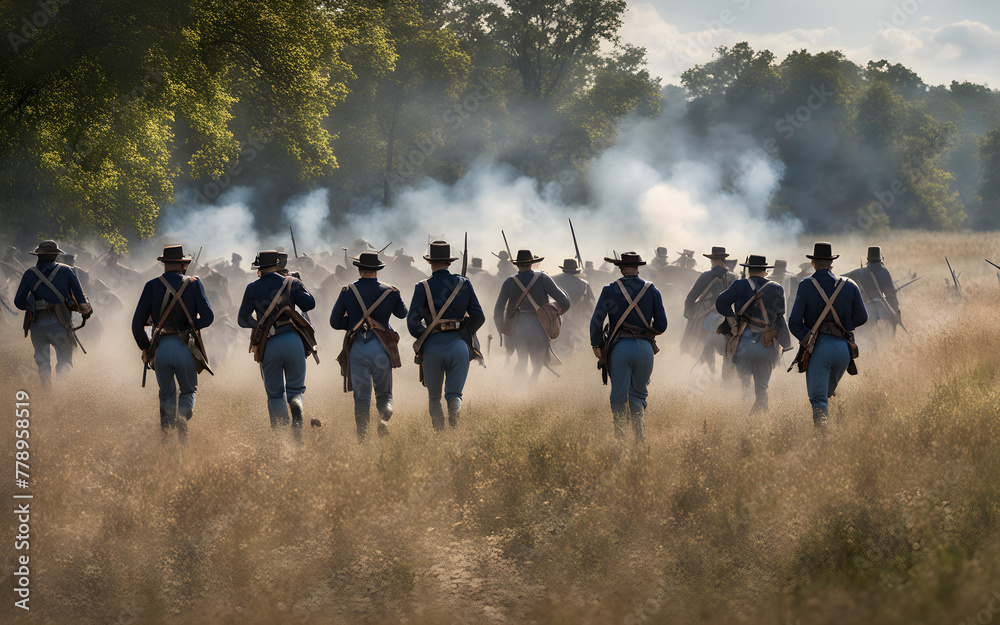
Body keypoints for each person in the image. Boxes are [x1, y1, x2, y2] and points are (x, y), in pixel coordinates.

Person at [131, 245, 214, 442]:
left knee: (166, 395)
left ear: (164, 264)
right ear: (183, 265)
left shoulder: (152, 285)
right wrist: (192, 327)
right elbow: (209, 317)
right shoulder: (194, 283)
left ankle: (167, 440)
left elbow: (136, 325)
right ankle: (183, 418)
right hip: (185, 347)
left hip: (161, 349)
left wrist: (146, 347)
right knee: (188, 390)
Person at [238, 250, 317, 440]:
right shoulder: (291, 282)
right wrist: (297, 283)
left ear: (259, 268)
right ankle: (296, 405)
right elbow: (310, 304)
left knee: (275, 395)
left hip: (269, 344)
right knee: (295, 390)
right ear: (278, 264)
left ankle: (282, 439)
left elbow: (242, 319)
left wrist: (261, 326)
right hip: (292, 340)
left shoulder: (252, 287)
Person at [788, 242, 868, 429]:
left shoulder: (806, 285)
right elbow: (862, 317)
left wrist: (809, 338)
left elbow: (793, 322)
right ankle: (837, 429)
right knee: (830, 393)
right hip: (843, 350)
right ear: (831, 263)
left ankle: (822, 441)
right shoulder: (849, 285)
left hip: (819, 348)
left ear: (813, 263)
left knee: (818, 400)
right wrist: (842, 328)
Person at [408, 241, 486, 430]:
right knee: (454, 395)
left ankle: (439, 432)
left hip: (432, 348)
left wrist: (426, 336)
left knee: (434, 397)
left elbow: (412, 323)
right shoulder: (463, 283)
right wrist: (463, 333)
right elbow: (479, 317)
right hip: (458, 346)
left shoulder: (422, 286)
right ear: (449, 262)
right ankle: (454, 424)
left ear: (430, 262)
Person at [590, 252, 667, 441]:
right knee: (638, 396)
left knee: (618, 396)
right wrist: (648, 331)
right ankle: (639, 437)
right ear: (638, 268)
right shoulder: (651, 289)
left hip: (620, 348)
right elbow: (661, 325)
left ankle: (621, 438)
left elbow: (596, 321)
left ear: (621, 269)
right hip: (645, 349)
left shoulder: (609, 289)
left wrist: (597, 343)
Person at [330, 251, 407, 441]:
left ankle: (362, 439)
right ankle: (383, 421)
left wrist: (354, 324)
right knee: (385, 395)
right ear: (377, 270)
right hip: (381, 347)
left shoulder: (347, 291)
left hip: (358, 348)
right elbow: (403, 314)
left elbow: (334, 321)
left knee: (361, 399)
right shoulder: (391, 291)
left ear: (360, 269)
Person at [715, 255, 792, 415]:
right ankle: (761, 418)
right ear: (765, 270)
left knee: (745, 385)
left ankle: (746, 415)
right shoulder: (777, 288)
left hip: (744, 343)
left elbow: (721, 303)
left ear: (748, 268)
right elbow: (780, 318)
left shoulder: (739, 284)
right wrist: (786, 344)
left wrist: (733, 324)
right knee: (762, 388)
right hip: (767, 343)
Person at [13, 240, 93, 386]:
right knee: (64, 361)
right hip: (60, 326)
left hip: (37, 327)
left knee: (43, 364)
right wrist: (86, 311)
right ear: (55, 255)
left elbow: (18, 302)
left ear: (38, 255)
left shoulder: (29, 274)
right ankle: (60, 395)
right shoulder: (67, 271)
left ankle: (47, 395)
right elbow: (82, 302)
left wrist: (34, 305)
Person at [493, 249, 571, 380]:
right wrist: (551, 311)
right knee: (538, 363)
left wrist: (501, 332)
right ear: (532, 263)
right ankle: (531, 385)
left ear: (517, 265)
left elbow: (498, 311)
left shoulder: (509, 282)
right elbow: (565, 302)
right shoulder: (544, 278)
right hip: (540, 326)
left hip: (517, 329)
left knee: (522, 361)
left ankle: (519, 391)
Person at [681, 246, 737, 374]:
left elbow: (691, 297)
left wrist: (689, 313)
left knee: (705, 350)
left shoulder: (707, 275)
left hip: (708, 321)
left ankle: (708, 378)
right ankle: (728, 383)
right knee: (729, 353)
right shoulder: (734, 277)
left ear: (711, 259)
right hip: (729, 321)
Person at [844, 246, 901, 335]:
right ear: (880, 258)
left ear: (868, 259)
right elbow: (891, 295)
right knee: (888, 334)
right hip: (882, 308)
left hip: (866, 308)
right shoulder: (884, 271)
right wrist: (896, 314)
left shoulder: (861, 272)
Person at [552, 258, 595, 351]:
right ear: (575, 270)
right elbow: (591, 304)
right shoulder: (584, 284)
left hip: (554, 320)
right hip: (574, 321)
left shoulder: (552, 280)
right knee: (570, 348)